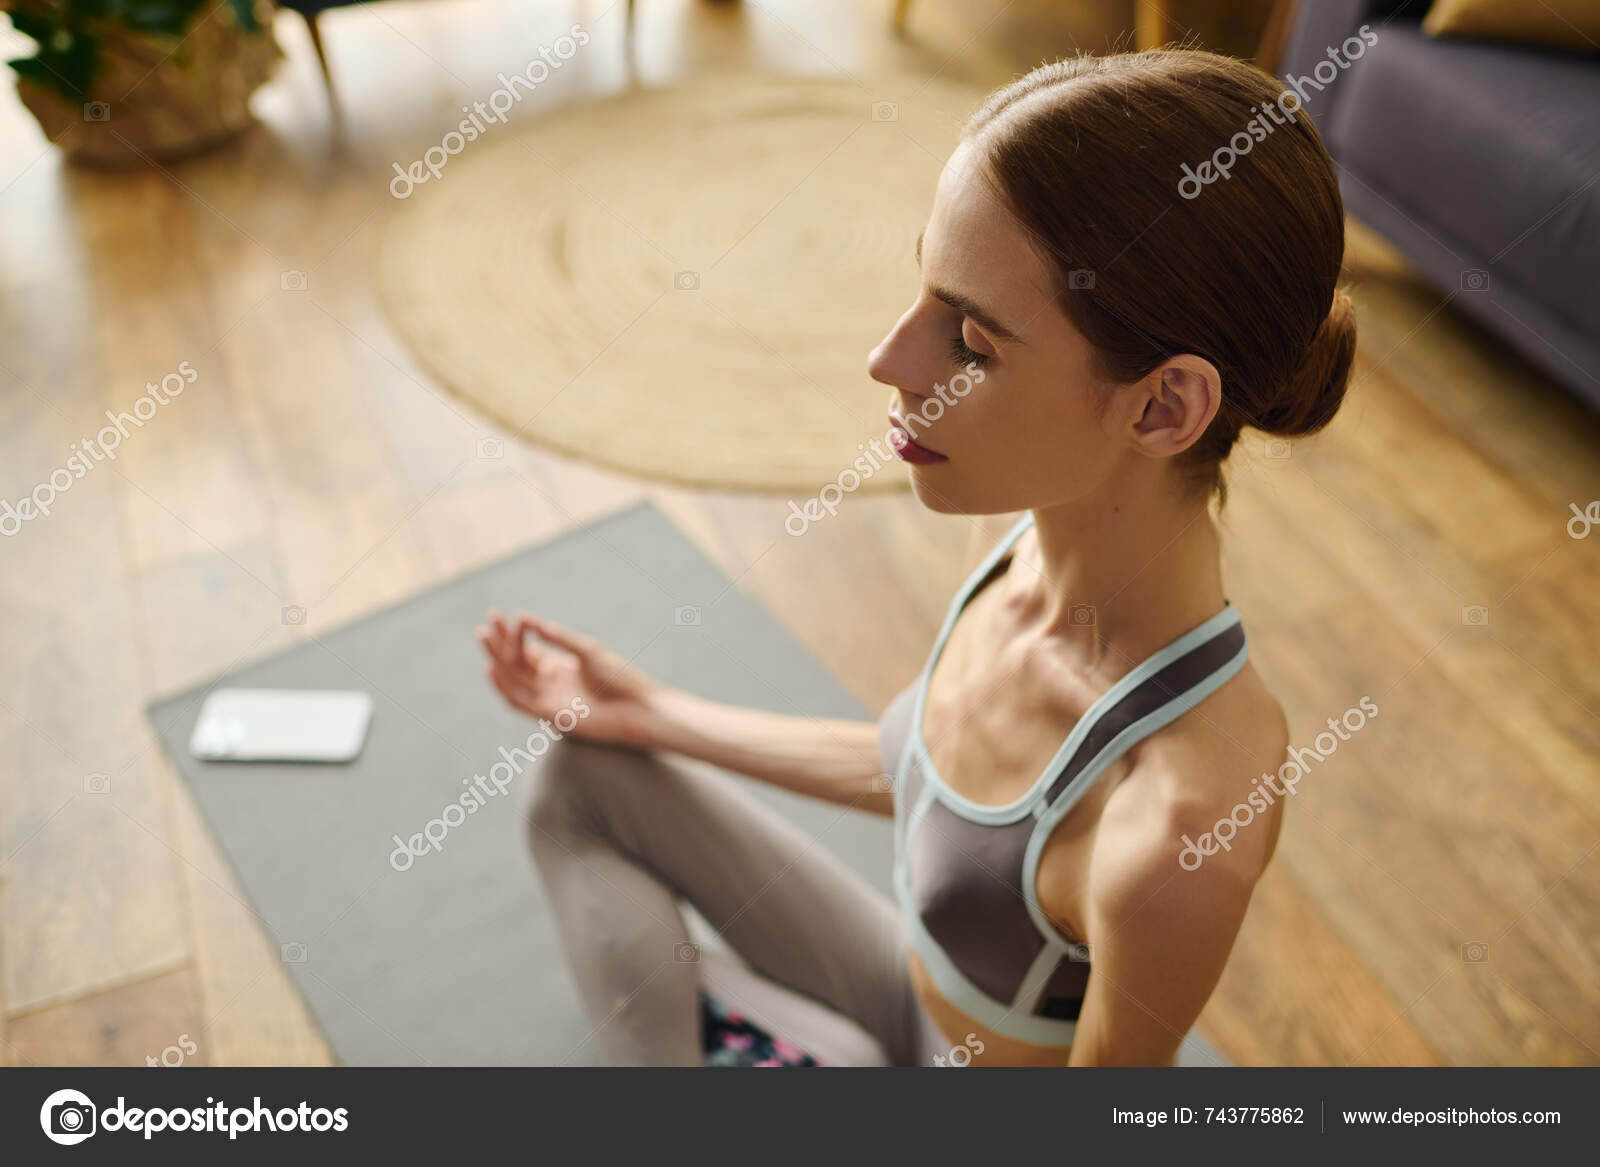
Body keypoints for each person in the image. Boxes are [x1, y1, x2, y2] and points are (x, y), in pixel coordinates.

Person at [479, 47, 1355, 1066]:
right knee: (585, 772)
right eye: (924, 297)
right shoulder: (1017, 528)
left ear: (1163, 406)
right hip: (904, 991)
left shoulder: (1177, 820)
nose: (887, 361)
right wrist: (654, 714)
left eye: (972, 345)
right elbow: (946, 796)